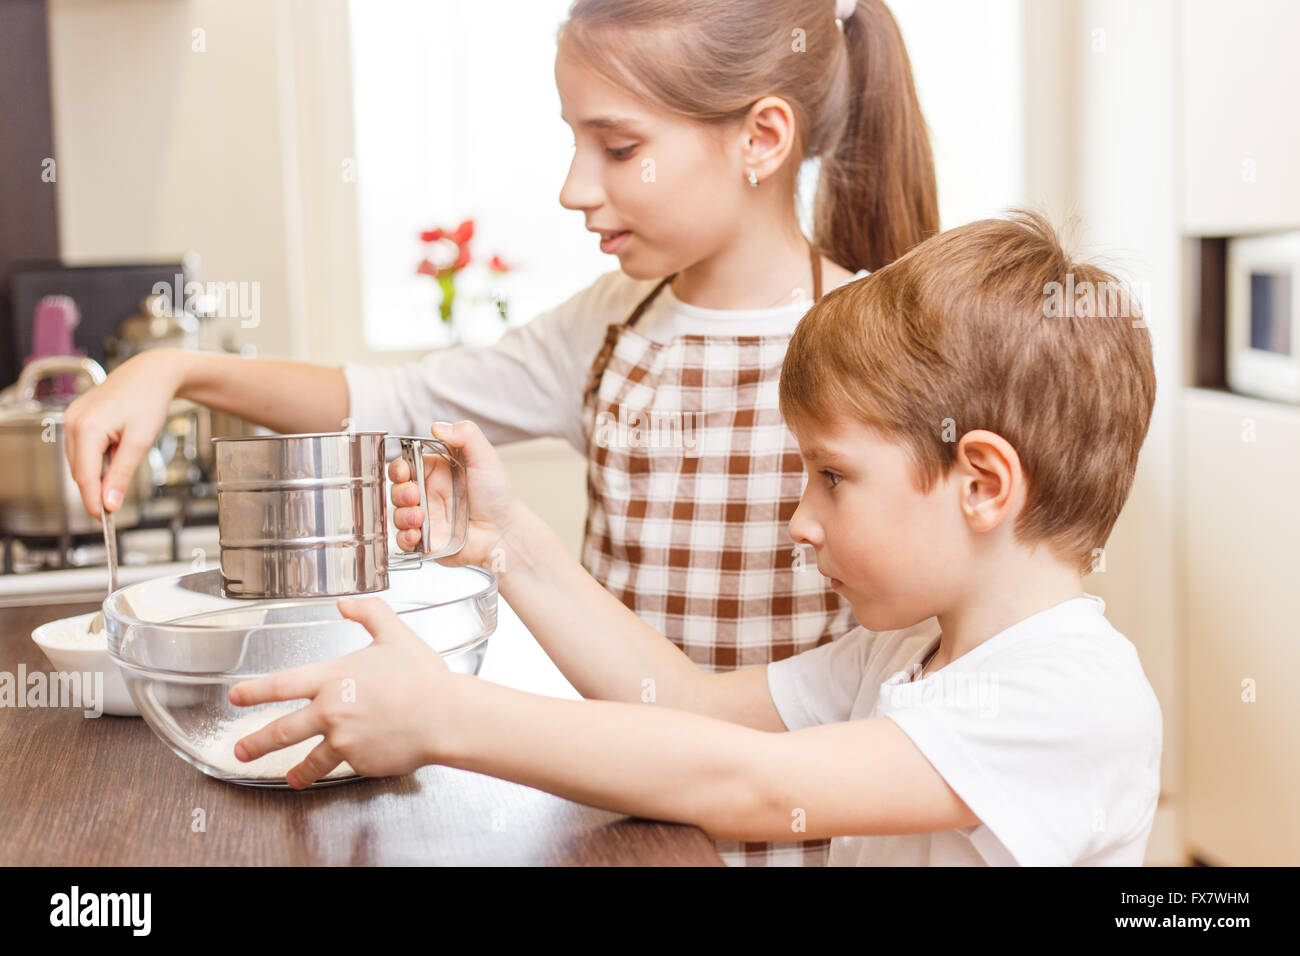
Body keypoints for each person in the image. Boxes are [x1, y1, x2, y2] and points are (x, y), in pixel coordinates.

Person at [63, 0, 937, 866]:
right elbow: (394, 401)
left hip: (805, 829)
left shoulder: (876, 347)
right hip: (617, 812)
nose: (573, 189)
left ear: (762, 138)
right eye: (574, 141)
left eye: (619, 146)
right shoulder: (609, 325)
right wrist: (178, 371)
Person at [227, 210, 1164, 866]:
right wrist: (507, 540)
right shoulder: (909, 649)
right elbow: (682, 704)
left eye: (833, 477)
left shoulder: (1069, 698)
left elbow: (748, 785)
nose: (799, 518)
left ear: (983, 483)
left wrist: (444, 719)